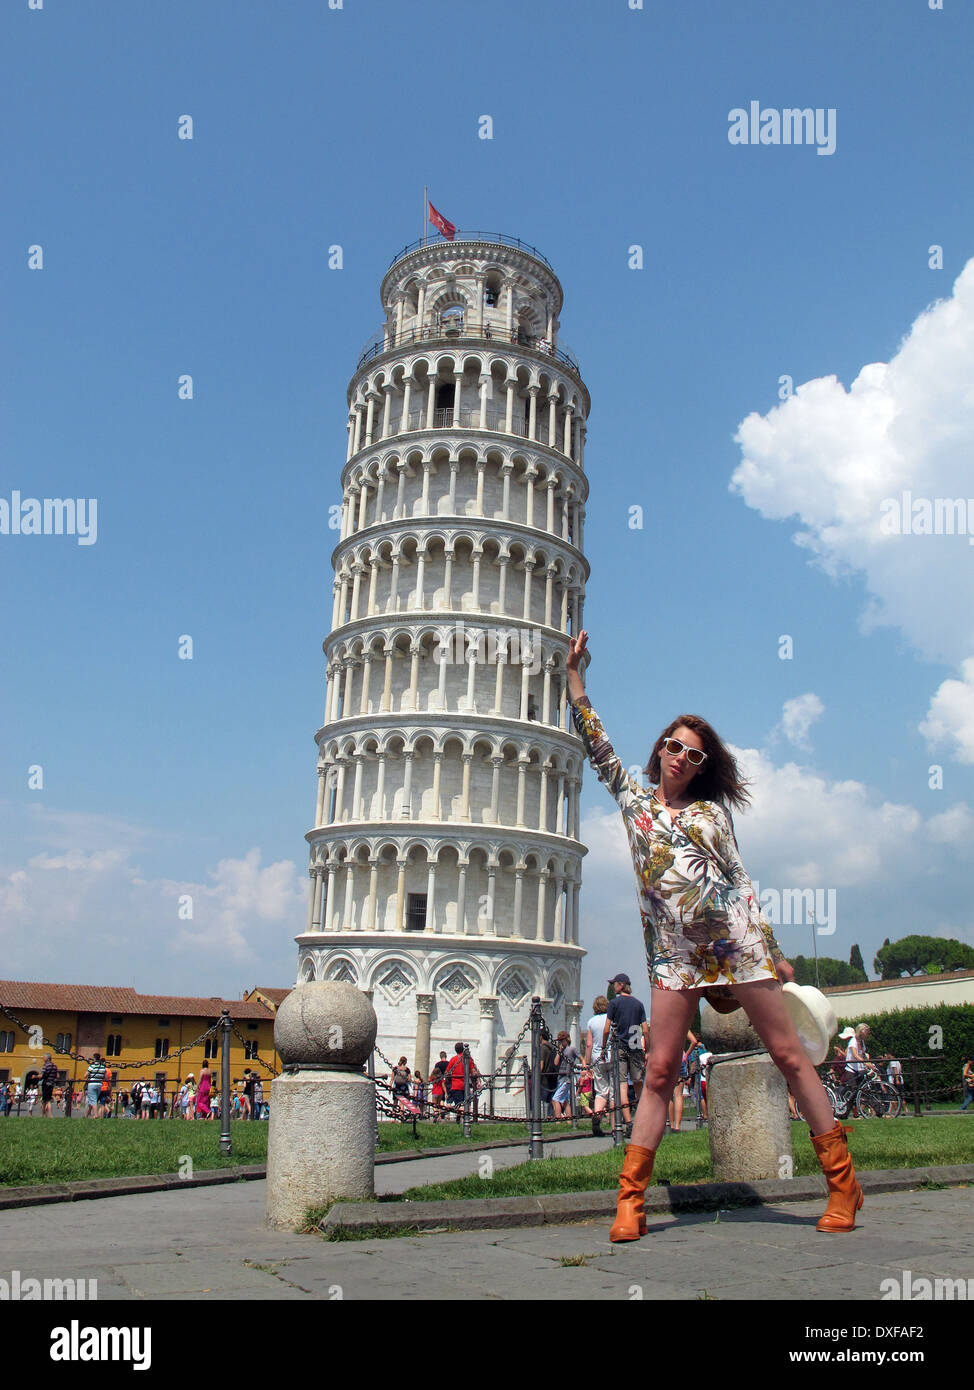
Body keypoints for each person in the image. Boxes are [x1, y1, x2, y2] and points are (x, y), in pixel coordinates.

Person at [566, 628, 862, 1241]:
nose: (682, 757)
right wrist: (577, 682)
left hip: (734, 945)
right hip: (673, 956)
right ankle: (630, 1199)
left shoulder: (712, 815)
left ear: (704, 767)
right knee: (658, 1071)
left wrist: (775, 956)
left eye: (695, 754)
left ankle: (841, 1182)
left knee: (787, 1054)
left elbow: (741, 882)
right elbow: (597, 748)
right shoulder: (633, 801)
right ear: (659, 751)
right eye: (675, 746)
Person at [603, 975, 649, 1135]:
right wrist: (647, 1049)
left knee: (622, 1085)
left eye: (614, 984)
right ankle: (643, 1120)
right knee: (638, 1083)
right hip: (635, 1046)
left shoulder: (614, 1003)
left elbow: (607, 1028)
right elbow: (645, 1029)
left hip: (620, 1046)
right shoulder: (638, 1004)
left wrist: (603, 1046)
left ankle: (628, 1123)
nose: (613, 987)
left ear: (621, 985)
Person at [583, 995, 611, 1136]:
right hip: (612, 1057)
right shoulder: (611, 1019)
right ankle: (615, 1125)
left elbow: (589, 1044)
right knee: (614, 1091)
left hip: (597, 1059)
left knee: (601, 1091)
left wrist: (587, 1063)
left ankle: (596, 1117)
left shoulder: (591, 1022)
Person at [551, 1031, 579, 1123]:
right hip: (560, 1077)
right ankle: (569, 1121)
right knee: (565, 1101)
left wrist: (584, 1066)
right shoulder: (561, 1051)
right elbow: (555, 1062)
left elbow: (580, 1057)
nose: (560, 1043)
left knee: (555, 1099)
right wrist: (559, 1052)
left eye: (562, 1041)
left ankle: (558, 1120)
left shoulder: (572, 1049)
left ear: (567, 1040)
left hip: (567, 1077)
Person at [84, 1053, 106, 1118]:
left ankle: (95, 1115)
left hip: (92, 1083)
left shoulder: (92, 1066)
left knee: (93, 1099)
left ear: (94, 1058)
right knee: (94, 1099)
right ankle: (86, 1115)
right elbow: (105, 1077)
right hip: (99, 1084)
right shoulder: (103, 1067)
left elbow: (85, 1076)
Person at [430, 1051, 448, 1118]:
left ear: (440, 1056)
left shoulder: (437, 1064)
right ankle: (442, 1114)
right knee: (443, 1100)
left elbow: (432, 1077)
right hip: (446, 1082)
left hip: (436, 1086)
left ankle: (437, 1114)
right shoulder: (448, 1064)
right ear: (446, 1056)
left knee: (436, 1103)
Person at [40, 1053, 58, 1118]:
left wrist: (35, 1076)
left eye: (44, 1057)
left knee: (46, 1100)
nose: (43, 1058)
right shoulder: (55, 1066)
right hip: (51, 1084)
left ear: (47, 1058)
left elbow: (41, 1075)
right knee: (46, 1100)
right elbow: (57, 1076)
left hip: (46, 1084)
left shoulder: (46, 1065)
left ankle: (49, 1115)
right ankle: (43, 1114)